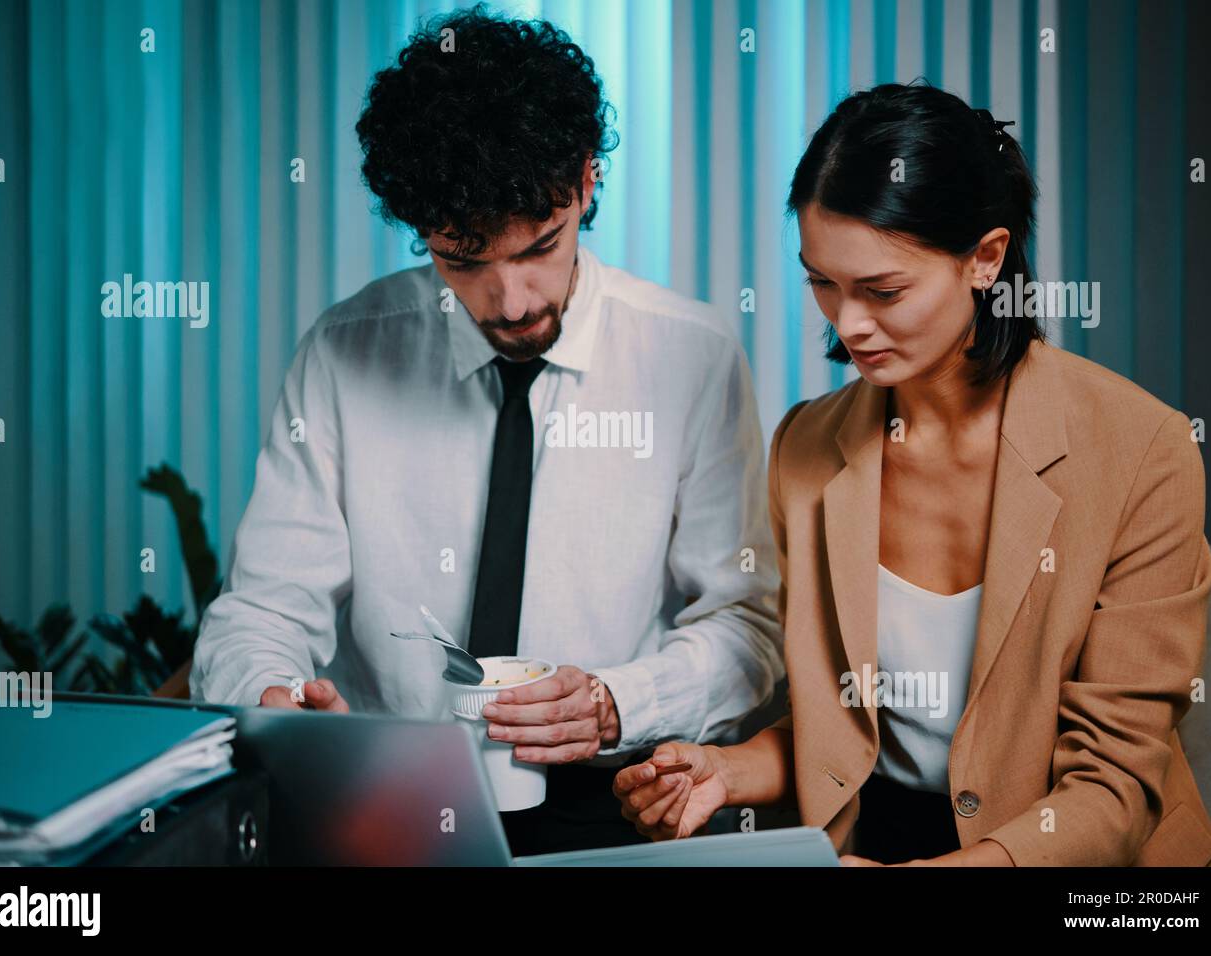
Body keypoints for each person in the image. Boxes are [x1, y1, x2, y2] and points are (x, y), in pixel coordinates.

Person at [189, 4, 783, 856]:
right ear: (420, 233)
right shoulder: (344, 353)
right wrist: (272, 697)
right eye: (463, 260)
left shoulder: (693, 358)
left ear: (584, 181)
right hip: (382, 805)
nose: (511, 302)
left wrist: (615, 703)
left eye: (540, 245)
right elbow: (263, 609)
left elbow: (745, 626)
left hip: (612, 805)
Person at [613, 82, 1211, 867]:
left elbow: (1114, 785)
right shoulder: (805, 448)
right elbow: (852, 727)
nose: (848, 323)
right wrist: (725, 769)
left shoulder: (1142, 449)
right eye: (822, 283)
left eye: (883, 290)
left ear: (986, 259)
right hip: (879, 845)